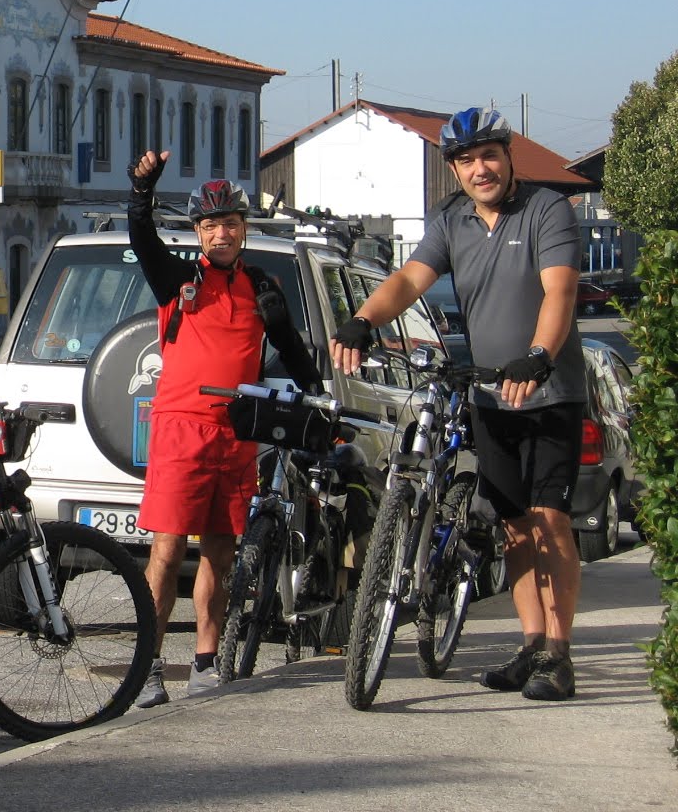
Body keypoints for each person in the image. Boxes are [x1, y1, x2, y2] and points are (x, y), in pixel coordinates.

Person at [329, 107, 585, 701]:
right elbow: (409, 279)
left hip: (550, 392)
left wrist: (540, 354)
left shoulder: (547, 210)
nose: (480, 168)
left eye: (488, 155)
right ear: (454, 170)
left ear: (507, 154)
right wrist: (362, 320)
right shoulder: (451, 221)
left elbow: (560, 289)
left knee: (551, 522)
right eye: (466, 160)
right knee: (516, 527)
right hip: (490, 396)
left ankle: (559, 655)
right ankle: (530, 645)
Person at [127, 153, 322, 707]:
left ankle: (206, 662)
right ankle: (148, 667)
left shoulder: (261, 286)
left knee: (220, 551)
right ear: (198, 232)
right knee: (166, 551)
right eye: (210, 224)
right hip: (181, 430)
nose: (221, 232)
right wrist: (142, 190)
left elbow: (290, 350)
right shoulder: (180, 279)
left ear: (244, 228)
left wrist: (315, 392)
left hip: (236, 432)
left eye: (230, 222)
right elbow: (141, 238)